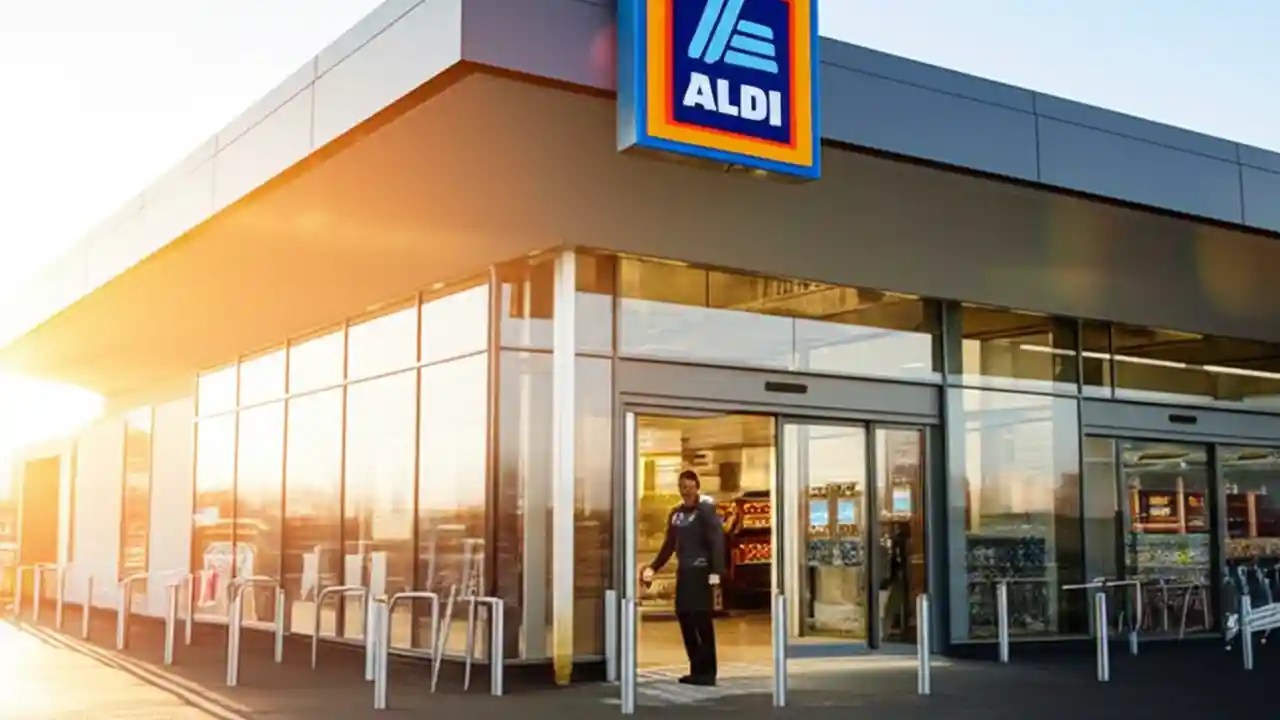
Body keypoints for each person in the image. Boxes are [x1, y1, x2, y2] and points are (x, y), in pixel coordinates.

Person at [641, 470, 725, 686]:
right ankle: (696, 668)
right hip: (685, 574)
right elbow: (669, 544)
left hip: (702, 573)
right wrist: (654, 567)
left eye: (689, 487)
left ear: (696, 487)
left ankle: (709, 671)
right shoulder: (676, 515)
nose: (686, 491)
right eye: (682, 487)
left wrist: (716, 572)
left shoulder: (706, 511)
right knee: (685, 618)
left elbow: (716, 541)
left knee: (702, 622)